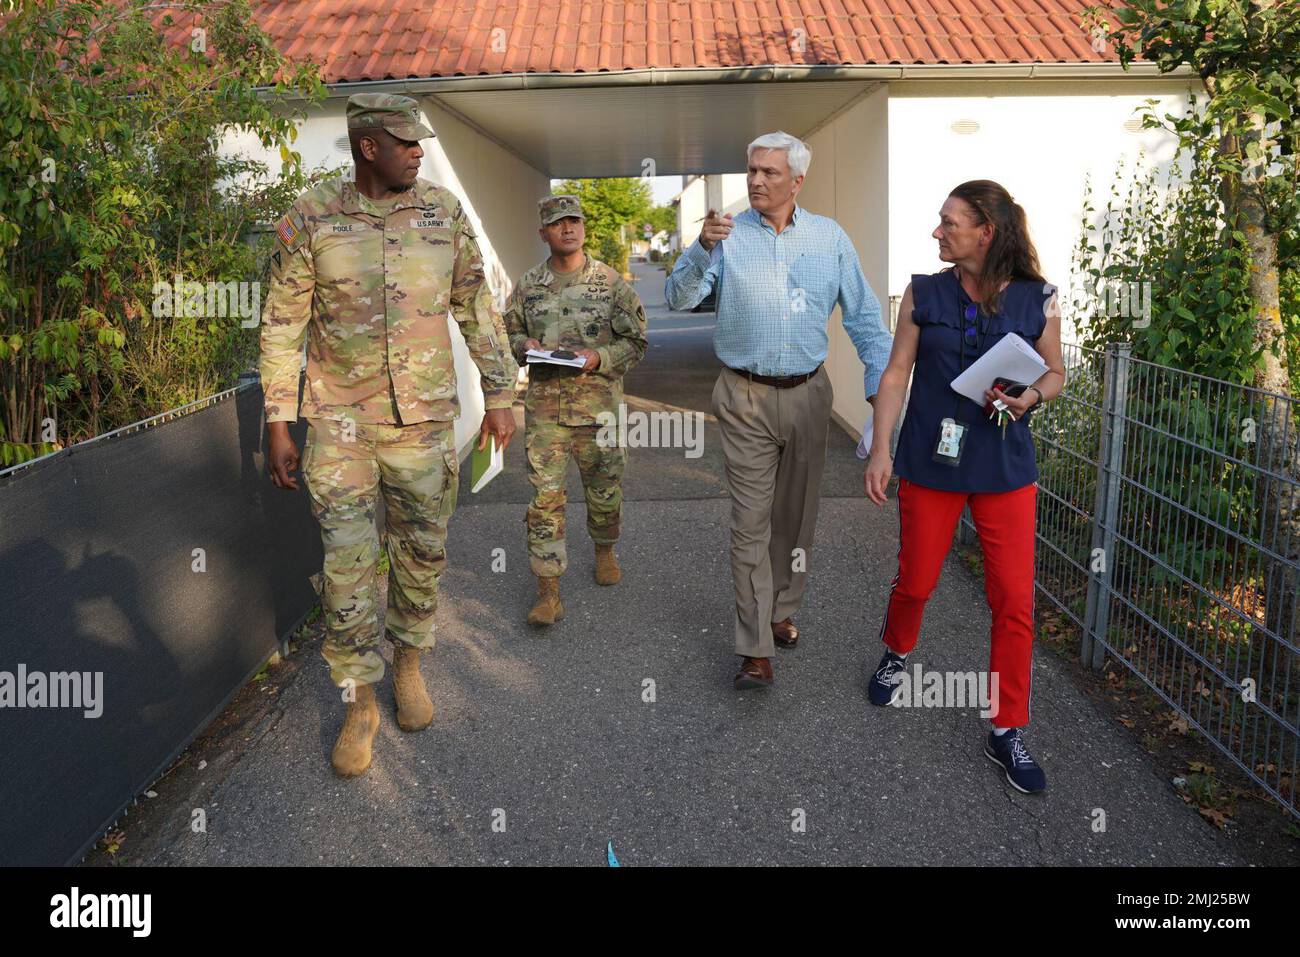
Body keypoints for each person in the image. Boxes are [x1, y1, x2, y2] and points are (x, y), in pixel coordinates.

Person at [260, 93, 517, 778]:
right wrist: (278, 420)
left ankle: (408, 663)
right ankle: (360, 701)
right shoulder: (311, 217)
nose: (419, 151)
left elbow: (476, 306)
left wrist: (499, 394)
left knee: (420, 554)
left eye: (419, 141)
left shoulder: (443, 212)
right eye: (405, 142)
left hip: (424, 426)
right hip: (339, 429)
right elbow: (283, 325)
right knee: (346, 572)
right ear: (367, 145)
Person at [665, 131, 893, 691]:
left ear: (797, 180)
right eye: (752, 171)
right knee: (750, 524)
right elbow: (678, 298)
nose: (757, 181)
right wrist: (701, 249)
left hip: (809, 395)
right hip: (743, 396)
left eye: (769, 172)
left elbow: (866, 323)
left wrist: (880, 406)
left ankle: (781, 609)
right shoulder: (726, 237)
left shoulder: (829, 238)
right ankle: (754, 648)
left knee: (795, 520)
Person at [864, 179, 1066, 794]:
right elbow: (897, 370)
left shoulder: (1041, 298)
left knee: (1014, 602)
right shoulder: (922, 294)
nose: (937, 231)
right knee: (917, 580)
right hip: (931, 460)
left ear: (988, 231)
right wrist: (881, 446)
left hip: (1005, 468)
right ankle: (898, 650)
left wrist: (1031, 394)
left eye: (949, 222)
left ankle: (1006, 729)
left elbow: (1057, 372)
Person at [503, 195, 648, 626]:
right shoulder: (528, 285)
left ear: (583, 228)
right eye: (557, 223)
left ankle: (604, 547)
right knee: (544, 500)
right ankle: (548, 591)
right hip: (546, 414)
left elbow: (636, 341)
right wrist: (522, 346)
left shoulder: (610, 283)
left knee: (604, 494)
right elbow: (510, 331)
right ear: (543, 233)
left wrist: (599, 357)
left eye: (574, 221)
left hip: (598, 412)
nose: (568, 228)